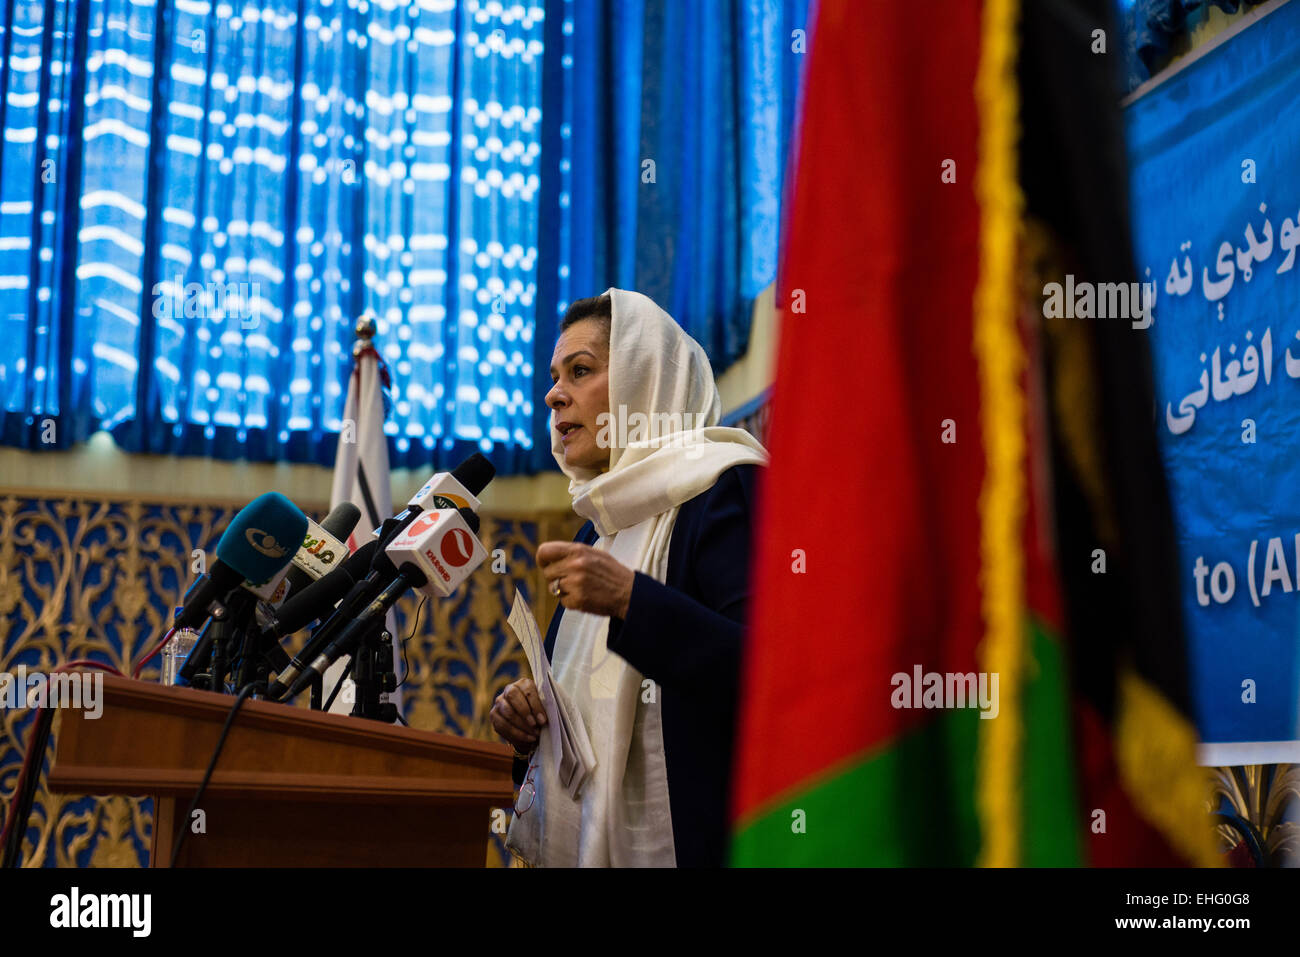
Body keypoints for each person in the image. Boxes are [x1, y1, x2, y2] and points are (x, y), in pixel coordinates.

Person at [490, 288, 768, 867]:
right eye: (554, 376)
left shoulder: (722, 490)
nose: (552, 394)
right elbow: (577, 726)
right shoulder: (600, 528)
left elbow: (769, 671)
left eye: (581, 370)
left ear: (646, 380)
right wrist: (530, 726)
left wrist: (632, 599)